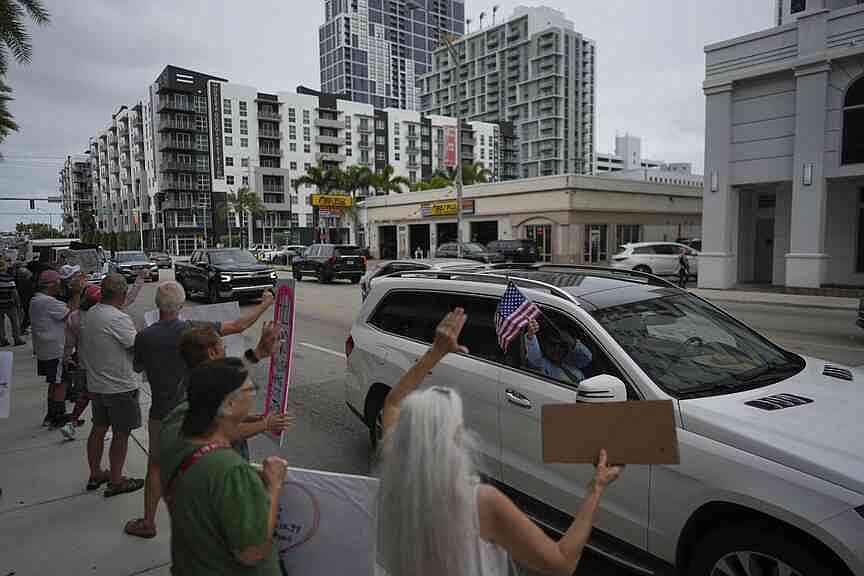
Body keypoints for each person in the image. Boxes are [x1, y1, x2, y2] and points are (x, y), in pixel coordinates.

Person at [378, 309, 622, 576]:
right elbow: (562, 562)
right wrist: (596, 488)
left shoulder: (396, 475)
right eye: (460, 428)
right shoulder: (480, 503)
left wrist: (435, 353)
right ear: (456, 440)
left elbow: (392, 403)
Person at [124, 281, 277, 539]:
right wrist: (266, 303)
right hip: (199, 411)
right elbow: (239, 326)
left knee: (155, 466)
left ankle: (148, 521)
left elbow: (138, 368)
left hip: (162, 412)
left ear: (157, 305)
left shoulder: (145, 336)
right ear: (182, 304)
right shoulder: (194, 331)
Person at [161, 358, 287, 575]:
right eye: (251, 389)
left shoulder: (176, 437)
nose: (253, 395)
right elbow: (251, 552)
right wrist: (273, 486)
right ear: (229, 404)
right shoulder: (231, 470)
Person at [173, 322, 292, 461]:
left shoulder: (199, 380)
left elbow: (217, 413)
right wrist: (265, 424)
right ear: (212, 353)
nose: (225, 350)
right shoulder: (198, 389)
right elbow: (223, 431)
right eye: (223, 347)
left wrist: (253, 418)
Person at [79, 274, 144, 496]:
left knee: (98, 429)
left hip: (97, 385)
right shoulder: (117, 318)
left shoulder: (91, 314)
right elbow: (137, 347)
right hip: (120, 386)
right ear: (122, 294)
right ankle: (116, 481)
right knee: (121, 433)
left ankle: (95, 473)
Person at [29, 270, 81, 427]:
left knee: (54, 382)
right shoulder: (48, 302)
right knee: (61, 383)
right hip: (55, 349)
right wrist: (76, 293)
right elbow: (71, 314)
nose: (60, 287)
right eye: (58, 283)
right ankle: (58, 416)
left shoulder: (36, 300)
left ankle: (51, 415)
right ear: (51, 285)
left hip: (44, 348)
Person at [59, 284, 103, 439]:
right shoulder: (101, 316)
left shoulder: (74, 316)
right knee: (102, 398)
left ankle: (71, 423)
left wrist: (67, 358)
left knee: (85, 395)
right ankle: (101, 427)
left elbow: (69, 343)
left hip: (83, 361)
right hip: (102, 363)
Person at [525, 318, 593, 385]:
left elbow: (587, 358)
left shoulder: (571, 363)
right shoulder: (542, 364)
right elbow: (534, 356)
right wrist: (531, 336)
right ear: (544, 345)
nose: (557, 349)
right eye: (553, 345)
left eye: (562, 346)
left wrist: (571, 341)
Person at [0, 259, 25, 347]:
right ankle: (17, 339)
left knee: (1, 323)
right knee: (15, 321)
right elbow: (14, 292)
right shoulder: (8, 277)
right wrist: (18, 303)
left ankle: (2, 340)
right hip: (9, 304)